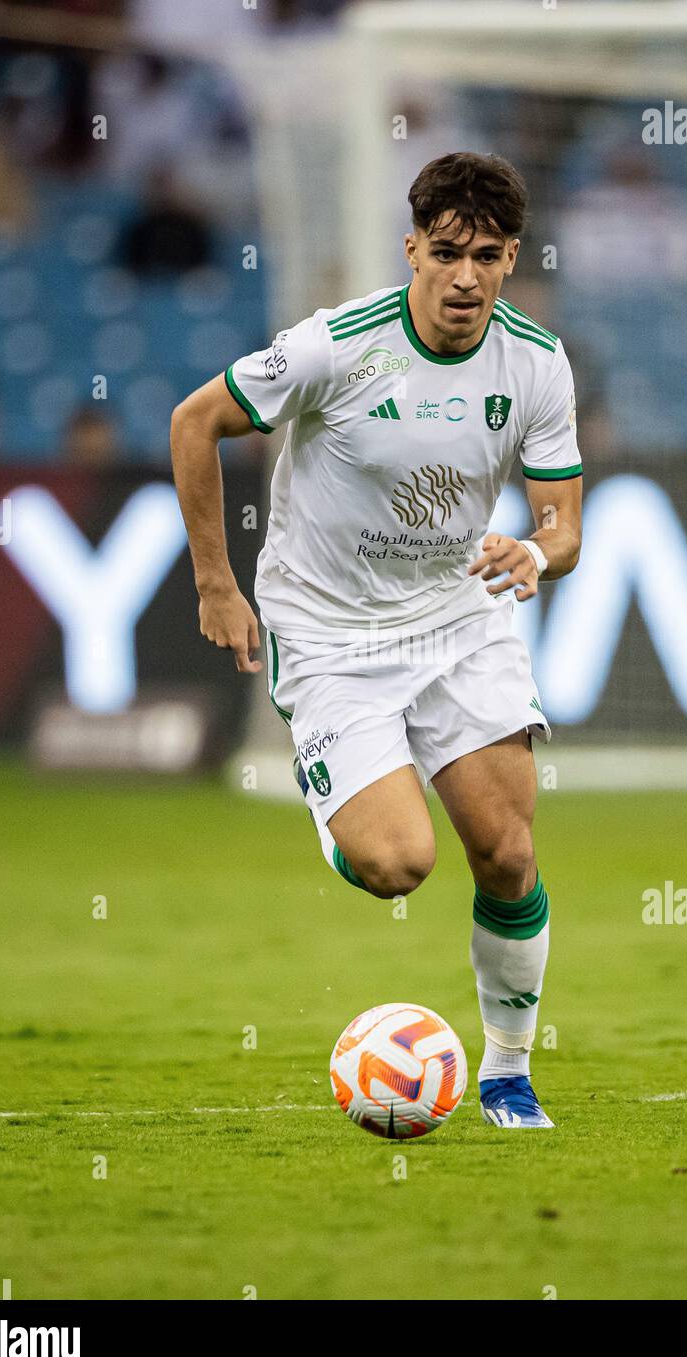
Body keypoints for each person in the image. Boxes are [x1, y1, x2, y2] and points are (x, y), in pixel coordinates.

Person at [170, 153, 583, 1129]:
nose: (465, 277)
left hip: (456, 618)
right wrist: (215, 582)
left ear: (511, 258)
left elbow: (563, 525)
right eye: (445, 253)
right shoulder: (338, 345)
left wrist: (536, 552)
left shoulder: (535, 363)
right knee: (398, 863)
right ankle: (335, 806)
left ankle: (507, 1073)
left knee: (507, 853)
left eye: (487, 256)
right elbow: (195, 421)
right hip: (328, 632)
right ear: (412, 250)